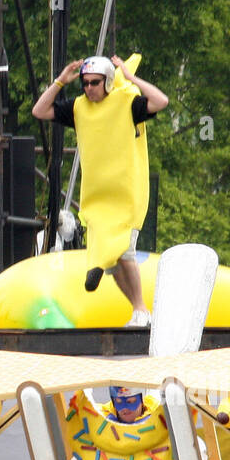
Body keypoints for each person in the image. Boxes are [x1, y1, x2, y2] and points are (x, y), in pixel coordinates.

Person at [32, 55, 168, 327]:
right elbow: (40, 111)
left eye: (95, 83)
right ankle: (139, 311)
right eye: (85, 83)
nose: (89, 88)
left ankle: (141, 309)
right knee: (112, 263)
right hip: (97, 197)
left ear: (107, 82)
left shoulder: (126, 103)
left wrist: (130, 79)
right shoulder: (79, 107)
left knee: (123, 251)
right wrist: (61, 80)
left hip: (126, 194)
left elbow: (161, 101)